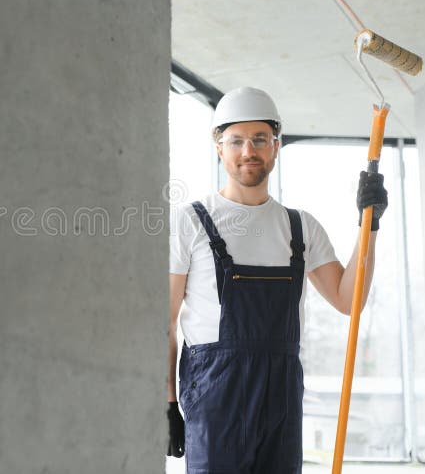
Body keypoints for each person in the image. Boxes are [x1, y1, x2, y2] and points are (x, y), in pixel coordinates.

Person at [165, 87, 387, 473]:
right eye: (236, 141)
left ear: (275, 146)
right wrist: (167, 402)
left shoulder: (299, 227)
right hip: (215, 395)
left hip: (281, 395)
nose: (248, 151)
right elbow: (162, 322)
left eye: (259, 140)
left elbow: (348, 301)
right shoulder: (190, 221)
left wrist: (370, 226)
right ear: (220, 148)